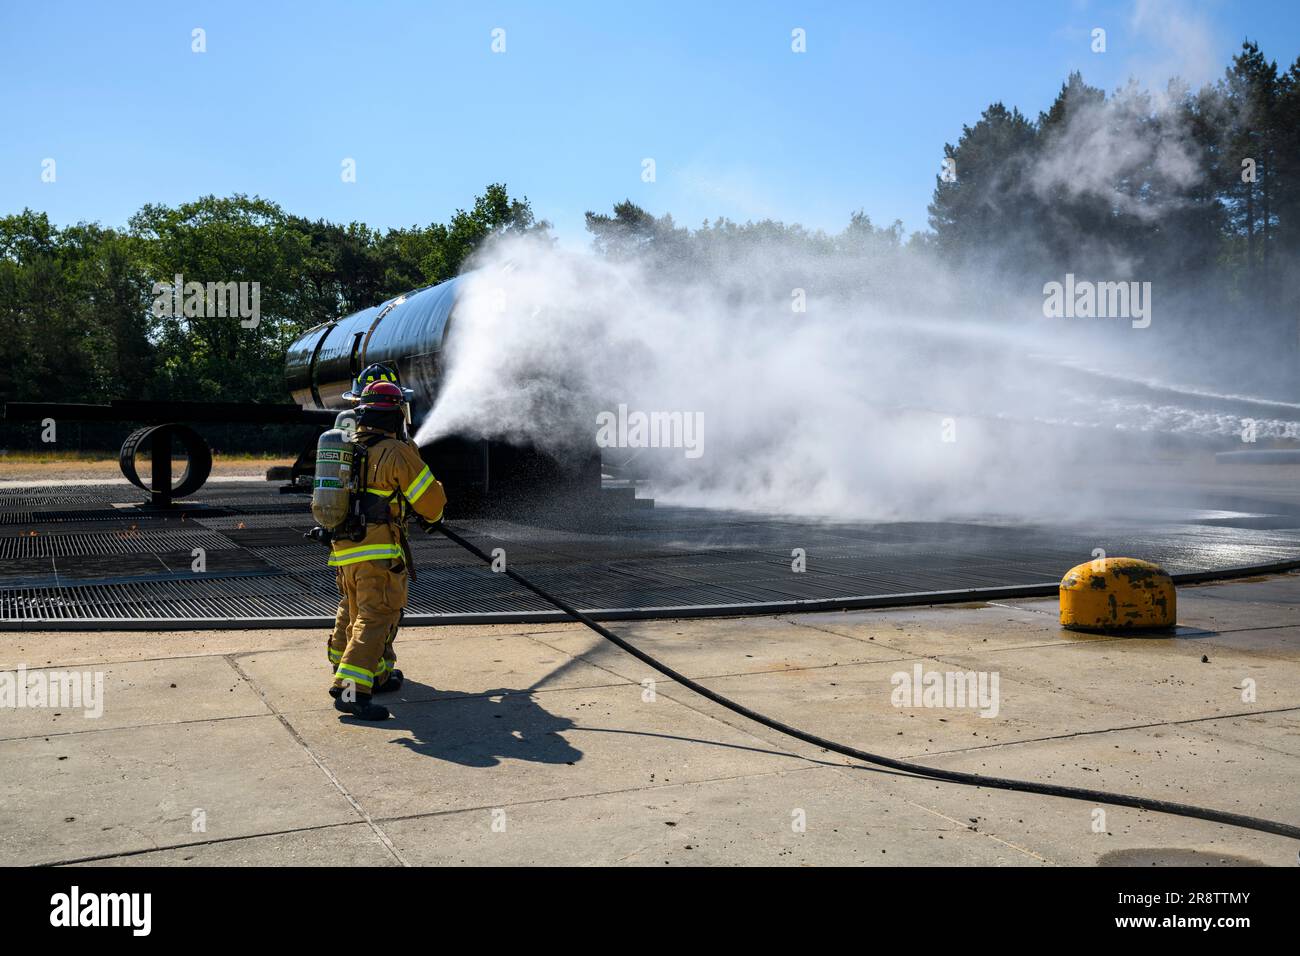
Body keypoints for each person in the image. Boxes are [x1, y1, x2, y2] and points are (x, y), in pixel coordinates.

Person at [327, 379, 446, 721]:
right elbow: (430, 500)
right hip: (376, 549)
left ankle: (372, 673)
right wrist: (434, 517)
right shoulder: (396, 452)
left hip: (343, 548)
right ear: (395, 415)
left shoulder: (348, 446)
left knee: (354, 609)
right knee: (378, 613)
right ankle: (351, 690)